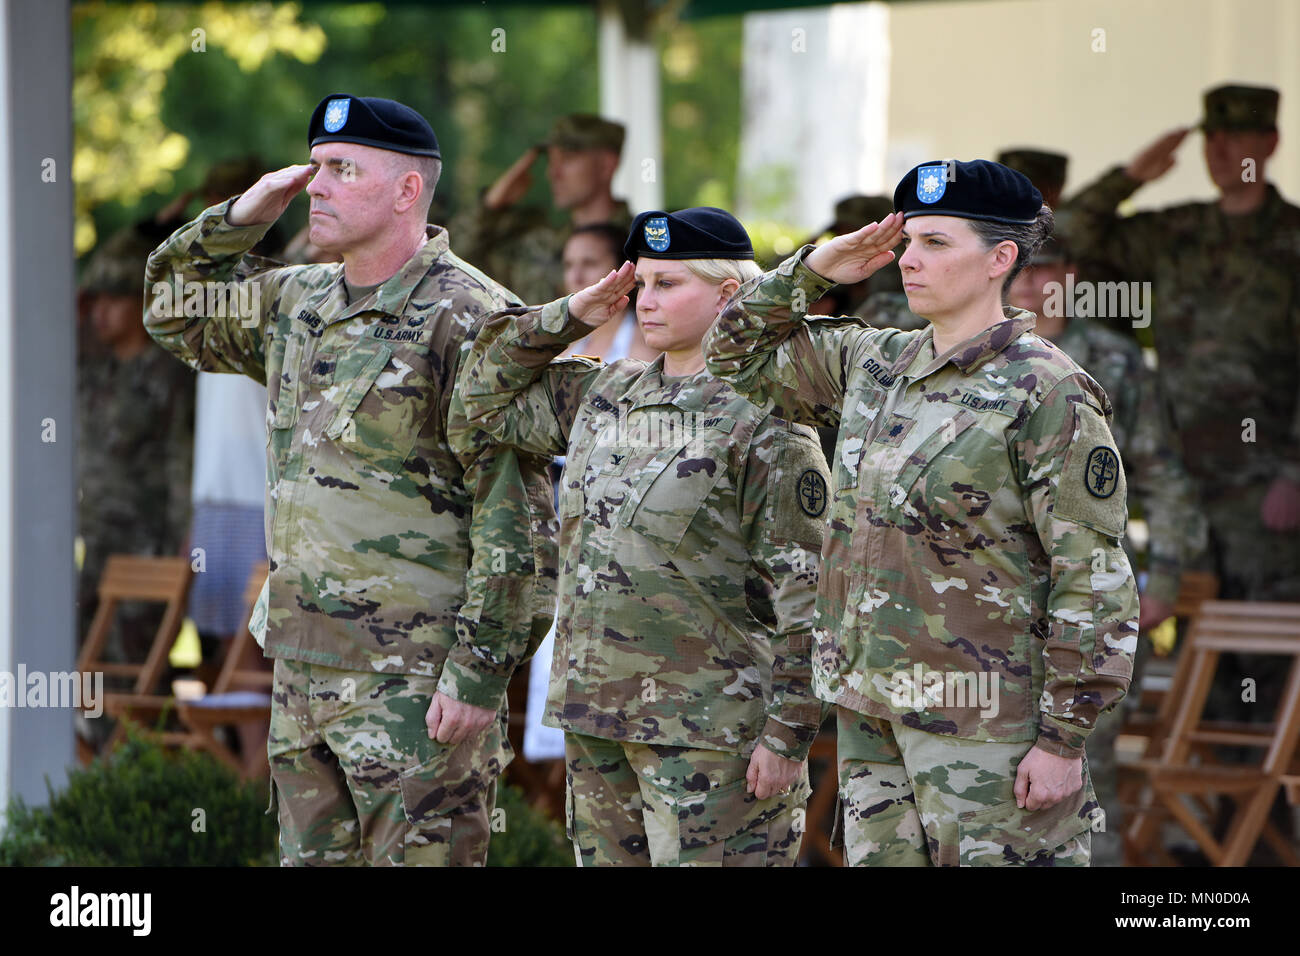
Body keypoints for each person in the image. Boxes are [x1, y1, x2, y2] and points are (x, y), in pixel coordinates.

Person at [143, 93, 556, 866]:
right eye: (315, 167)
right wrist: (240, 217)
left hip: (418, 683)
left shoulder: (473, 319)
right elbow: (171, 311)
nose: (317, 187)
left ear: (406, 190)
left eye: (341, 169)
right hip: (304, 664)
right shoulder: (297, 300)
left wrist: (477, 675)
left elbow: (521, 526)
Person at [705, 160, 1139, 866]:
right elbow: (730, 351)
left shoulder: (1047, 390)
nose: (909, 260)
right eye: (907, 242)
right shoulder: (872, 362)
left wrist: (1063, 739)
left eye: (936, 243)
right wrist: (816, 267)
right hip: (872, 709)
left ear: (1001, 259)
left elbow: (1092, 576)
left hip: (986, 724)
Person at [453, 207, 828, 866]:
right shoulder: (608, 393)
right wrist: (573, 311)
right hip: (597, 718)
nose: (645, 302)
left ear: (728, 293)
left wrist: (788, 733)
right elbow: (480, 396)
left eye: (667, 285)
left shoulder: (767, 417)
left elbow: (810, 592)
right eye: (641, 285)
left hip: (712, 732)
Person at [1063, 85, 1300, 767]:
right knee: (1199, 641)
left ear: (1271, 145)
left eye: (1238, 138)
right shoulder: (1178, 231)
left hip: (1264, 485)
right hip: (1184, 476)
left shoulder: (1292, 240)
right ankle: (1210, 821)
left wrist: (1294, 469)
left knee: (1263, 649)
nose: (1221, 152)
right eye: (1211, 139)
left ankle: (1264, 824)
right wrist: (1131, 176)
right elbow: (1068, 234)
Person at [1008, 235, 1206, 865]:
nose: (1029, 284)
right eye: (1020, 268)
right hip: (991, 610)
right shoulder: (974, 354)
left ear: (1069, 274)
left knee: (1086, 774)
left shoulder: (1114, 362)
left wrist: (1166, 580)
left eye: (1044, 269)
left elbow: (1164, 476)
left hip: (1087, 601)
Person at [78, 224, 195, 674]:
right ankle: (98, 747)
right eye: (97, 302)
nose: (100, 312)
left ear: (141, 304)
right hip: (95, 543)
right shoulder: (95, 372)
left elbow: (179, 461)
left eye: (114, 300)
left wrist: (184, 538)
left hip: (146, 544)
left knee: (132, 664)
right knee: (80, 658)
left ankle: (133, 747)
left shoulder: (166, 378)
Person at [453, 114, 633, 304]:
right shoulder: (538, 245)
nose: (553, 173)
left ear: (606, 165)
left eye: (567, 159)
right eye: (551, 161)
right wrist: (490, 208)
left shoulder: (638, 245)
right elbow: (453, 270)